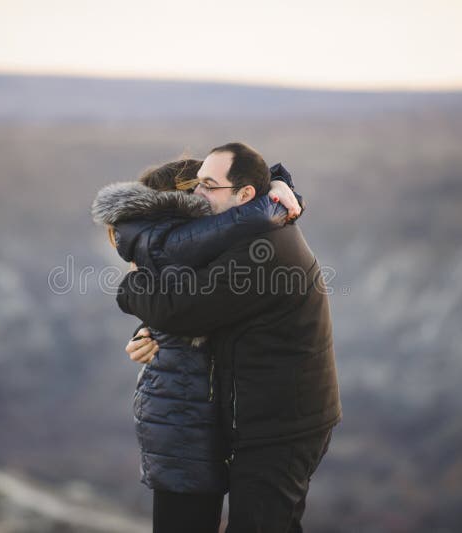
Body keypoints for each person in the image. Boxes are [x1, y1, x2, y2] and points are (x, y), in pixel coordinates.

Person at [118, 142, 341, 532]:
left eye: (208, 185)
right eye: (197, 183)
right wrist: (149, 331)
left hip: (281, 425)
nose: (198, 194)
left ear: (244, 195)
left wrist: (130, 286)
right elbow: (206, 306)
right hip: (265, 417)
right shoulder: (249, 231)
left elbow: (184, 310)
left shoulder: (261, 250)